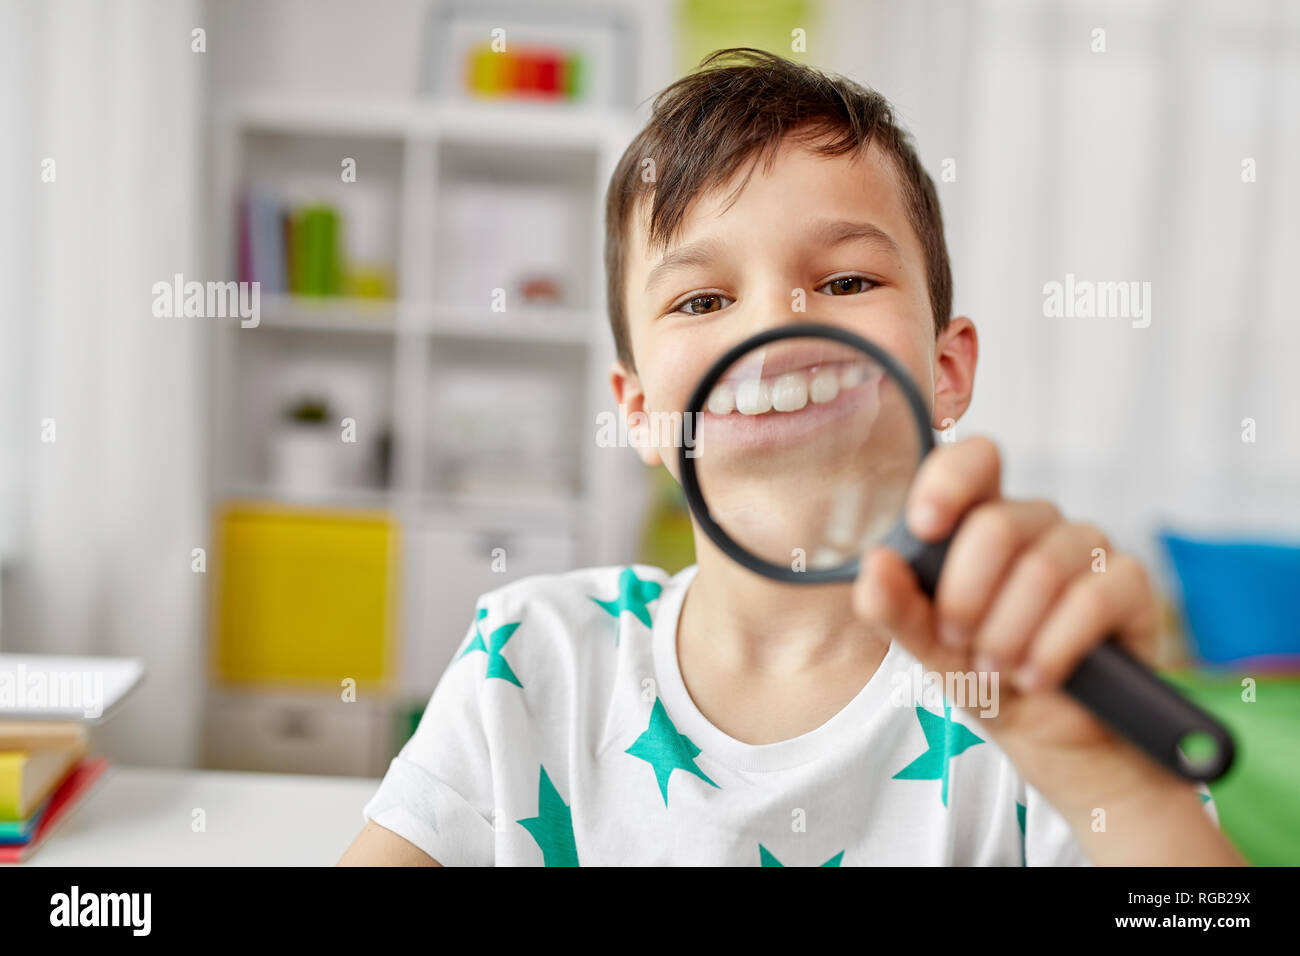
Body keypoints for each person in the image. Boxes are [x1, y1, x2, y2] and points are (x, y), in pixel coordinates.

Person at [339, 48, 1240, 866]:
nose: (778, 325)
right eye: (700, 300)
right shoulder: (530, 659)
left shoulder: (1035, 695)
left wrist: (1125, 794)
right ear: (643, 413)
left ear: (947, 369)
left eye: (847, 281)